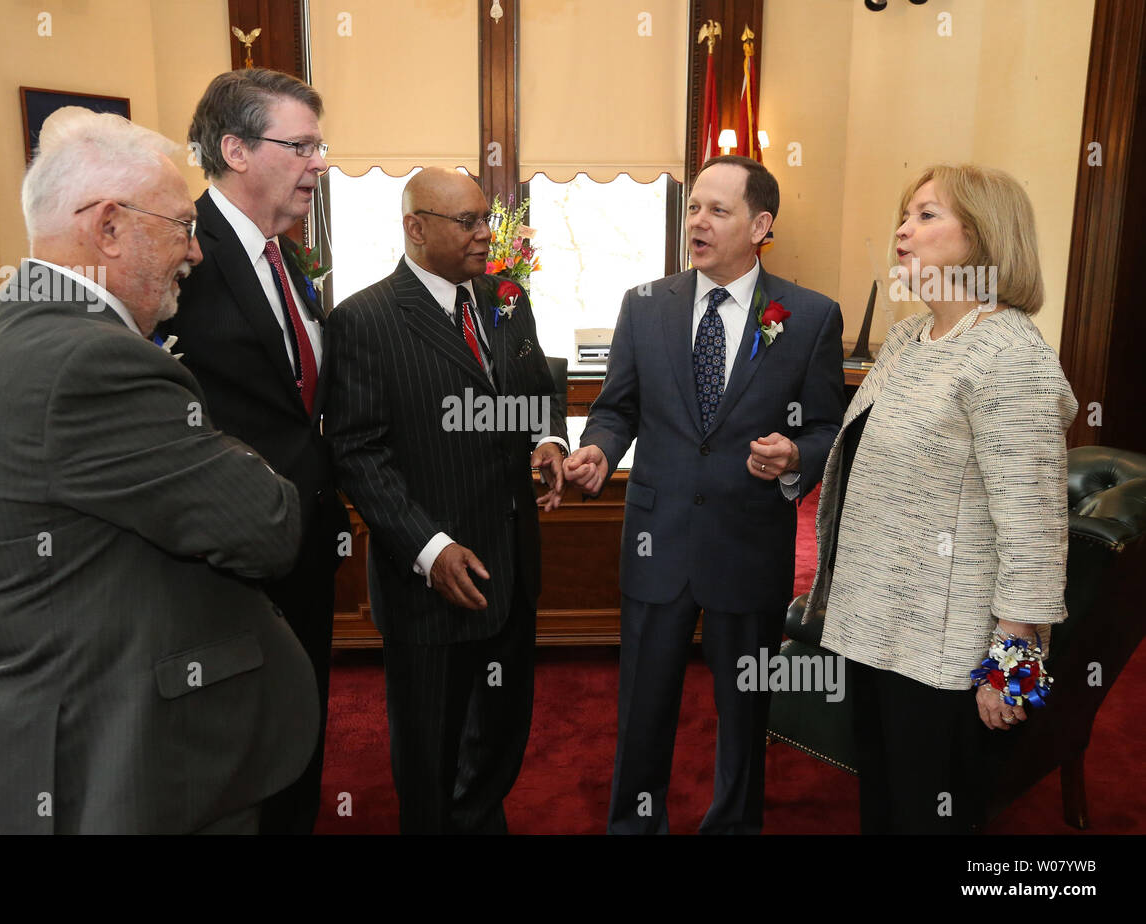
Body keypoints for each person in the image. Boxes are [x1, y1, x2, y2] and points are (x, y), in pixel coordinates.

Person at [0, 108, 318, 834]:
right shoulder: (91, 360)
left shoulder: (25, 320)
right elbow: (268, 524)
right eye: (181, 225)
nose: (196, 252)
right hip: (133, 758)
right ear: (108, 226)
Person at [563, 155, 845, 834]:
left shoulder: (807, 317)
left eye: (718, 210)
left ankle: (733, 825)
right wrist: (600, 448)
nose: (698, 221)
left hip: (748, 547)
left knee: (744, 711)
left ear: (760, 225)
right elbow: (617, 408)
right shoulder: (644, 306)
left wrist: (794, 455)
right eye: (694, 207)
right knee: (643, 707)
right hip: (657, 543)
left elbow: (830, 427)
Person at [803, 164, 1077, 834]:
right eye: (905, 213)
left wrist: (1013, 669)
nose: (904, 227)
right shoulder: (907, 338)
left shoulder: (1009, 353)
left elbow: (1036, 526)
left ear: (985, 238)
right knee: (884, 808)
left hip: (945, 653)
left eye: (928, 215)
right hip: (877, 627)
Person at [324, 167, 568, 834]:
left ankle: (480, 819)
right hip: (430, 584)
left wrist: (545, 438)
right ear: (416, 226)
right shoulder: (363, 320)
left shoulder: (505, 298)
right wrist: (430, 549)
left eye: (487, 219)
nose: (486, 234)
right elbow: (357, 452)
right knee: (429, 748)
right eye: (468, 222)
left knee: (502, 731)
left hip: (511, 569)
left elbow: (536, 383)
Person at [160, 68, 348, 835]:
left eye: (319, 144)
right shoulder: (182, 252)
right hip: (224, 566)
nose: (321, 163)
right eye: (300, 145)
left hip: (303, 548)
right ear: (235, 149)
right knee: (241, 758)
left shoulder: (284, 257)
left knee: (300, 729)